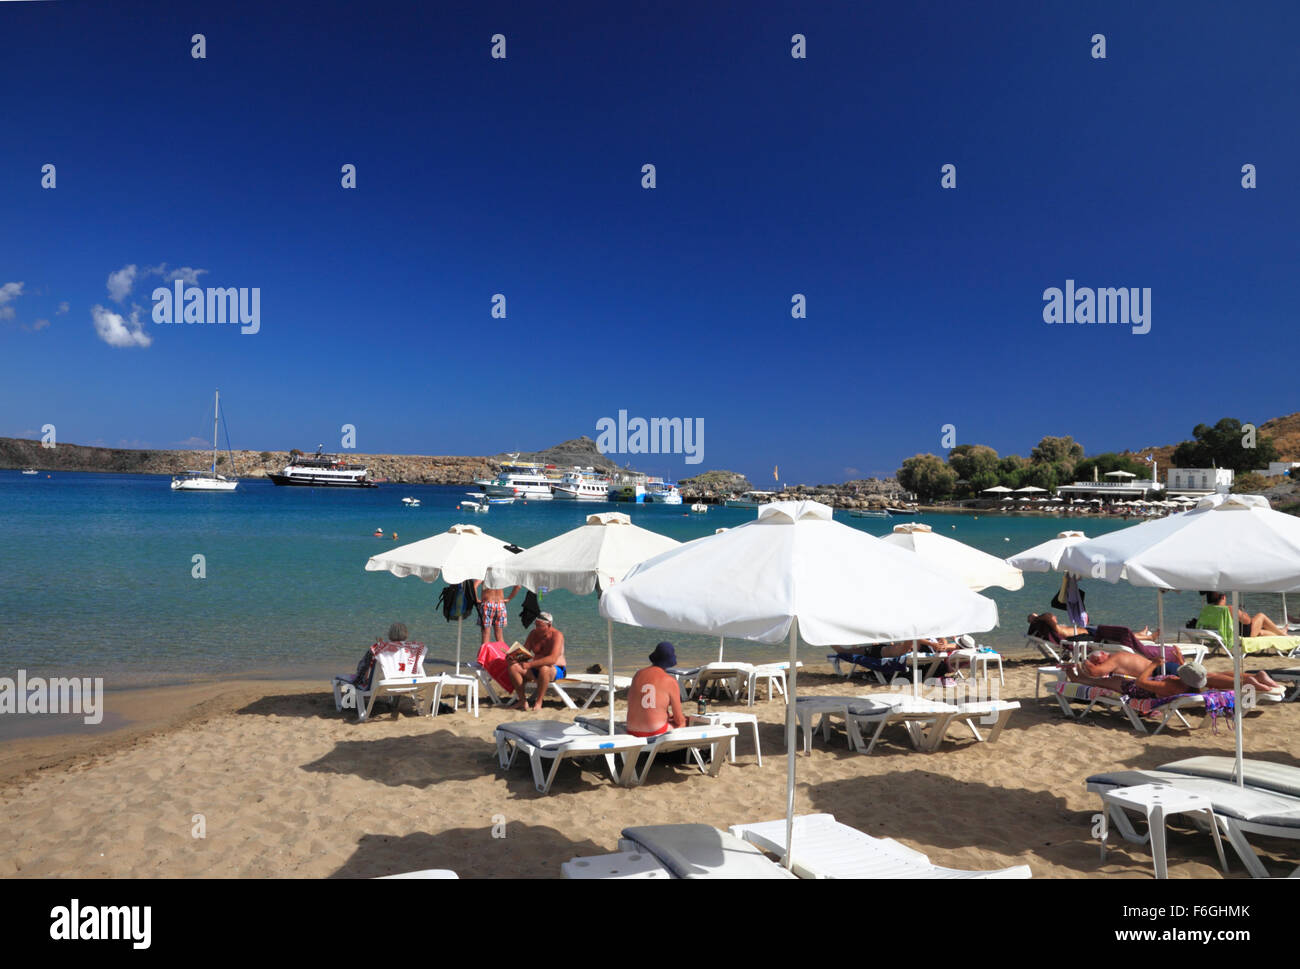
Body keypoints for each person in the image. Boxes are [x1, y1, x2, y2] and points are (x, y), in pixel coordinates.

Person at [506, 612, 566, 711]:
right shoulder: (533, 634)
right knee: (513, 667)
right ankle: (522, 701)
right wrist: (514, 657)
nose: (537, 628)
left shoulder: (557, 636)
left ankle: (539, 702)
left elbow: (553, 659)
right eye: (536, 625)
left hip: (555, 670)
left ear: (549, 625)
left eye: (540, 626)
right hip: (535, 670)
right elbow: (524, 652)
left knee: (545, 668)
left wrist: (530, 664)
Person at [626, 642, 688, 738]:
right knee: (683, 723)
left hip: (631, 731)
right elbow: (679, 719)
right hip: (655, 732)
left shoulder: (637, 674)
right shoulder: (670, 681)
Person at [1201, 591, 1287, 639]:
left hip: (1228, 634)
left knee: (1261, 632)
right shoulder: (1229, 609)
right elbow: (1247, 621)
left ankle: (1281, 634)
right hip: (1243, 634)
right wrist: (1243, 613)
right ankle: (1282, 634)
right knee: (1261, 616)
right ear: (1223, 597)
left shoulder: (1209, 610)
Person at [473, 580, 520, 645]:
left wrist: (476, 599)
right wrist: (509, 598)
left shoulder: (485, 574)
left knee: (485, 637)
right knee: (500, 638)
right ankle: (504, 655)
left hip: (488, 604)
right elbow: (518, 586)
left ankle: (485, 655)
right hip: (500, 605)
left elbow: (474, 586)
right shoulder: (501, 575)